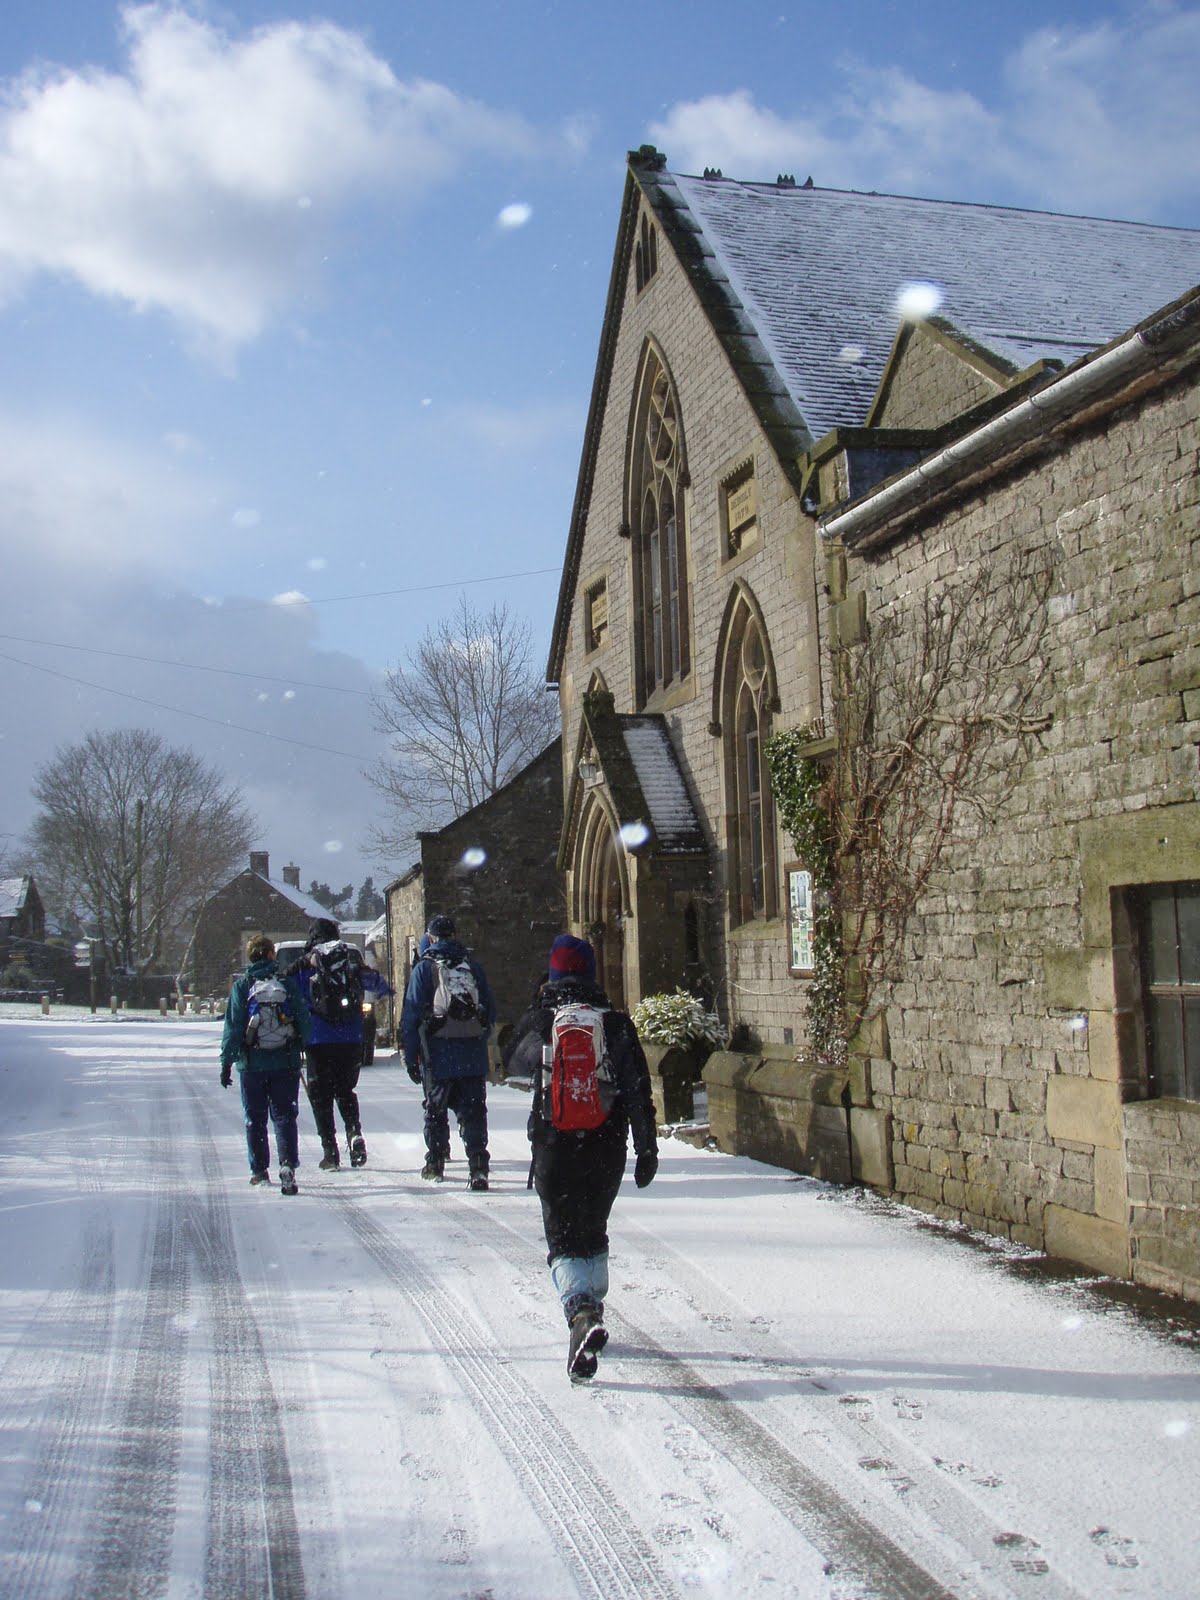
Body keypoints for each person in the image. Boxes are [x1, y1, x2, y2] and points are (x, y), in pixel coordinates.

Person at [503, 934, 658, 1383]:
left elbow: (510, 1057)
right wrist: (646, 1147)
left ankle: (579, 1311)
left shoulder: (543, 1017)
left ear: (553, 974)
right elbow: (637, 1091)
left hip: (555, 1145)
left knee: (563, 1238)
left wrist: (539, 1010)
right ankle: (592, 1305)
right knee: (593, 1228)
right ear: (591, 973)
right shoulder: (615, 1023)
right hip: (605, 1144)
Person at [284, 917, 393, 1170]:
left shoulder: (308, 964)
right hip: (351, 1039)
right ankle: (354, 1133)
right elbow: (379, 985)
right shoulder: (349, 961)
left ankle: (330, 1152)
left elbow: (289, 997)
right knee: (345, 1091)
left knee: (321, 1097)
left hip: (318, 1040)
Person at [401, 914, 496, 1190]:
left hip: (437, 1053)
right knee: (475, 1111)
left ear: (430, 938)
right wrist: (480, 1037)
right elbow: (489, 1008)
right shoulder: (472, 967)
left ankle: (436, 1161)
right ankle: (478, 1164)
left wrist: (411, 1055)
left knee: (435, 1109)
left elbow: (412, 1015)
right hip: (472, 1053)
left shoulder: (424, 969)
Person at [220, 933, 311, 1195]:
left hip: (252, 1065)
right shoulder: (286, 984)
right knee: (284, 1116)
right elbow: (304, 1021)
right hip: (285, 1062)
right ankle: (287, 1165)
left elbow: (234, 1027)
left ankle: (259, 1171)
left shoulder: (242, 987)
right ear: (272, 955)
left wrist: (227, 1062)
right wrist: (300, 1047)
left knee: (255, 1119)